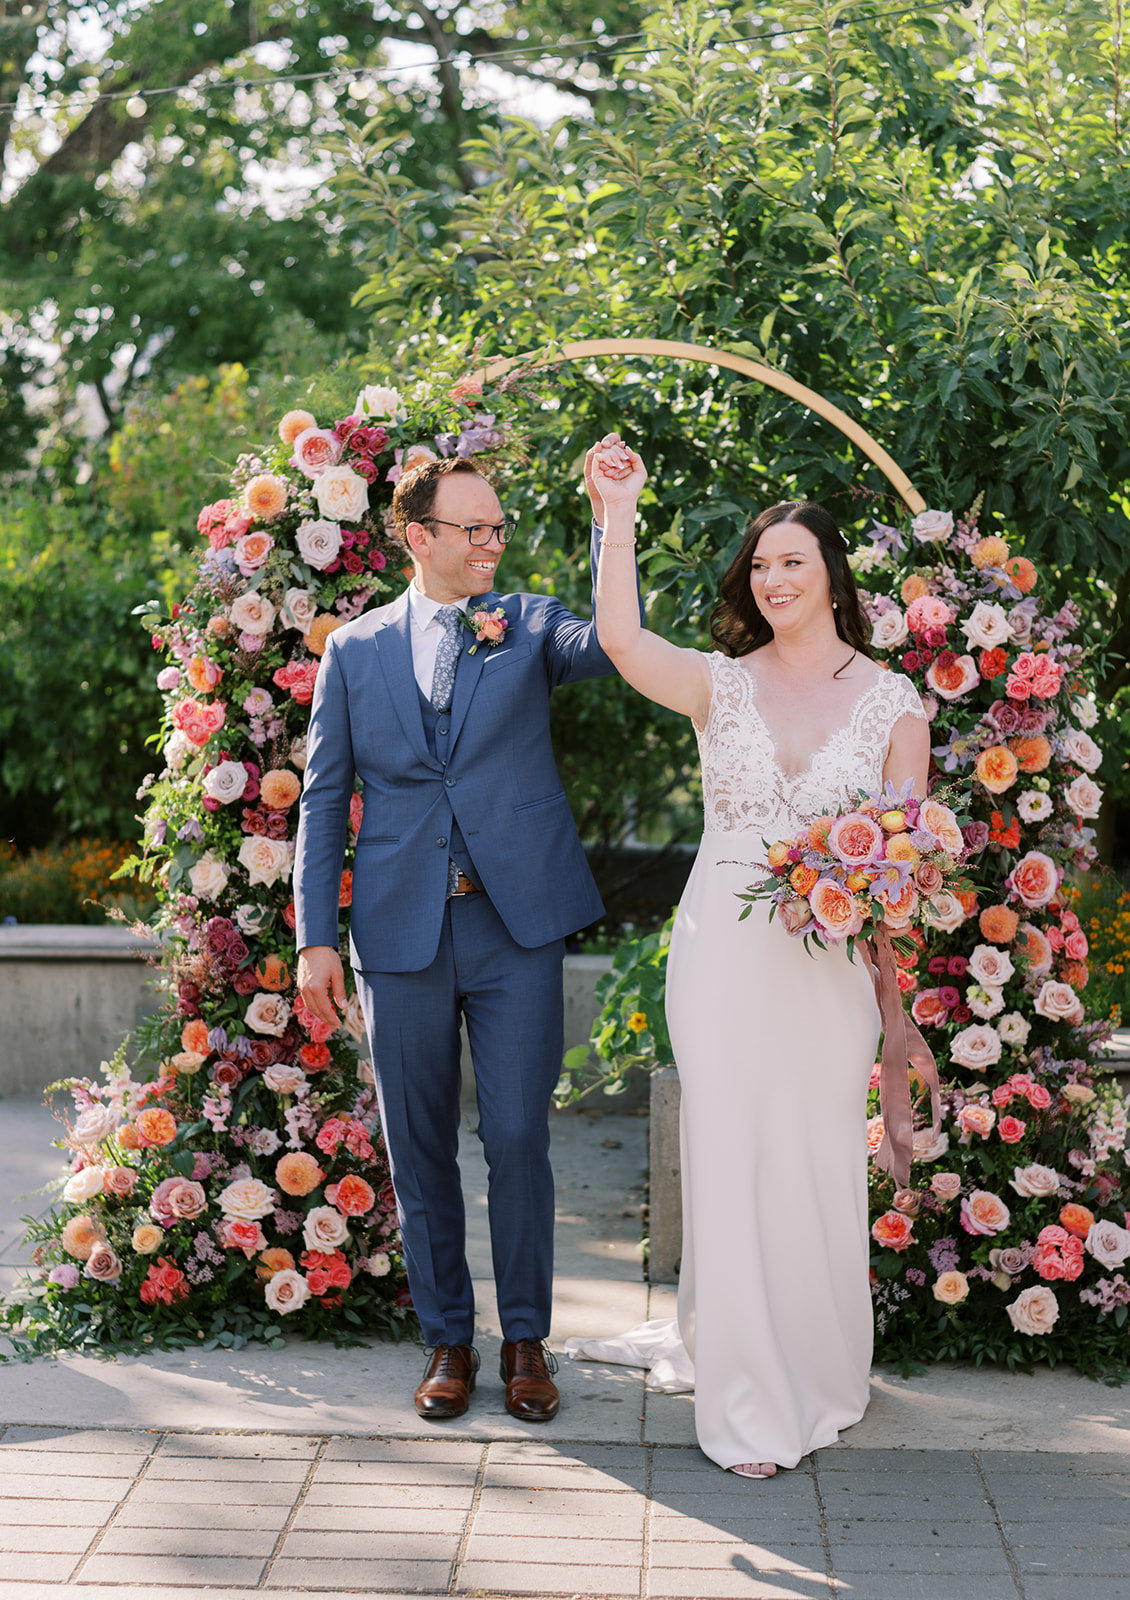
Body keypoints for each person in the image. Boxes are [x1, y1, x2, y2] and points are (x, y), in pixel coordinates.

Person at [572, 438, 930, 1477]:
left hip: (828, 974)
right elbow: (622, 636)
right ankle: (745, 1403)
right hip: (720, 952)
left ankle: (816, 1367)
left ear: (832, 577)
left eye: (793, 563)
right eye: (760, 566)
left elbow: (899, 883)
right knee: (728, 1153)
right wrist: (618, 508)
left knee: (813, 1160)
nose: (772, 580)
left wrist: (898, 1030)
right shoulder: (718, 686)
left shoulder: (895, 706)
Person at [294, 448, 632, 1424]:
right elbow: (323, 802)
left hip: (514, 923)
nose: (492, 542)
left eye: (498, 527)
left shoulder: (524, 623)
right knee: (419, 1146)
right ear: (419, 537)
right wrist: (319, 934)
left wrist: (615, 516)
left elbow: (612, 644)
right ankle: (449, 1338)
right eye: (473, 528)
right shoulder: (353, 652)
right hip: (397, 931)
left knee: (521, 1136)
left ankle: (526, 1341)